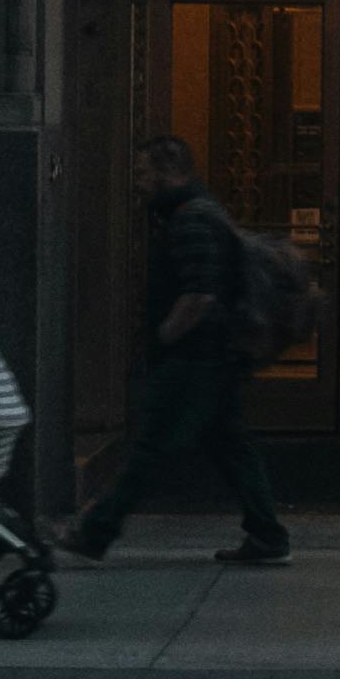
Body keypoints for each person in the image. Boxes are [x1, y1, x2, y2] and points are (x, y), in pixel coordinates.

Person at [63, 134, 288, 569]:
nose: (139, 183)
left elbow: (199, 294)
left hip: (194, 357)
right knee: (230, 444)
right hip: (214, 356)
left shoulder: (191, 220)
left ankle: (96, 532)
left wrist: (165, 335)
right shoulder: (195, 214)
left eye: (144, 173)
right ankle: (268, 534)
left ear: (170, 171)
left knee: (148, 447)